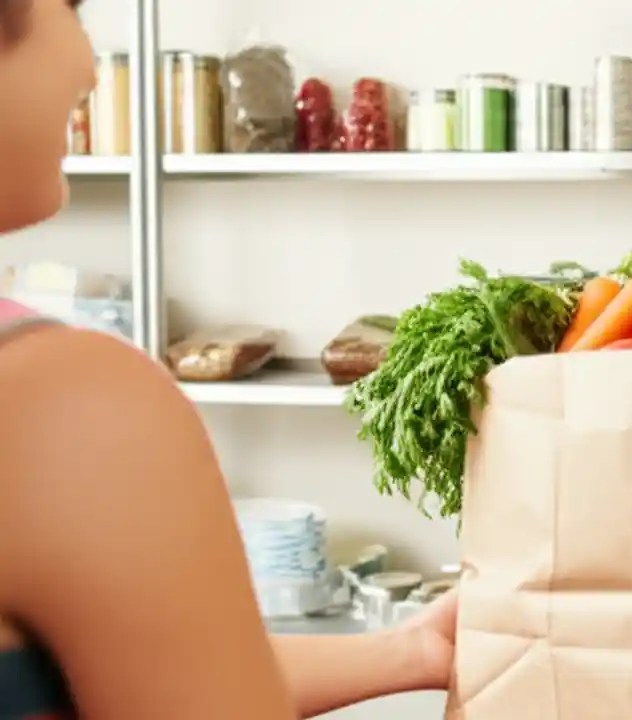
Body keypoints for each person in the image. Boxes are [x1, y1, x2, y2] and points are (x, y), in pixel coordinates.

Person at [0, 1, 458, 717]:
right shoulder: (61, 404)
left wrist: (413, 651)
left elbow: (145, 660)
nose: (89, 67)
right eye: (71, 8)